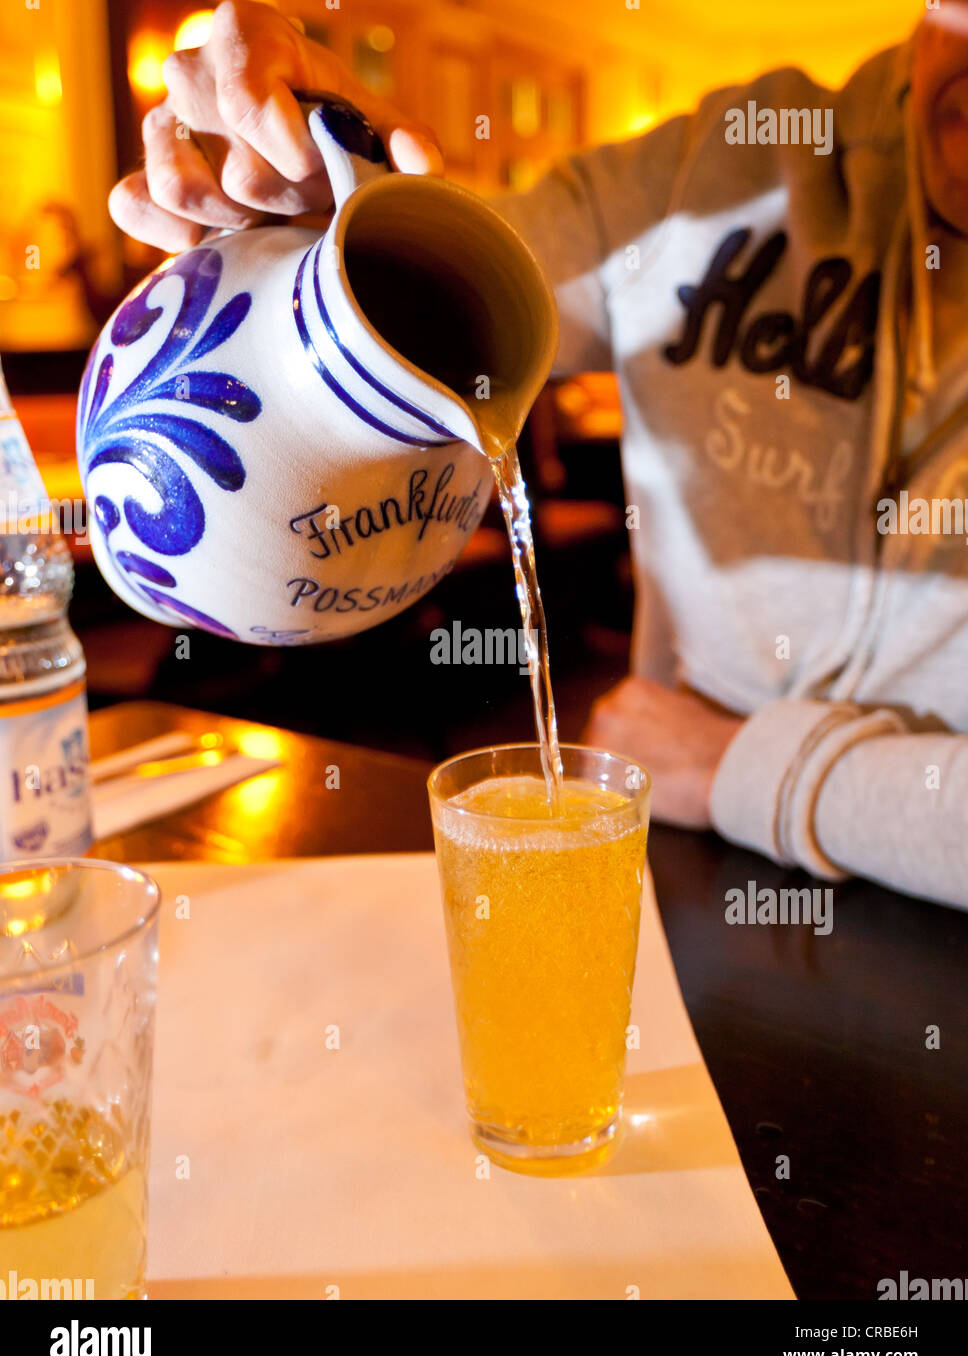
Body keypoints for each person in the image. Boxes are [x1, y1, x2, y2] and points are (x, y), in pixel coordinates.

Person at [109, 0, 968, 910]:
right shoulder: (710, 175)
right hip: (678, 875)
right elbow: (452, 277)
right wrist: (320, 197)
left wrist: (747, 767)